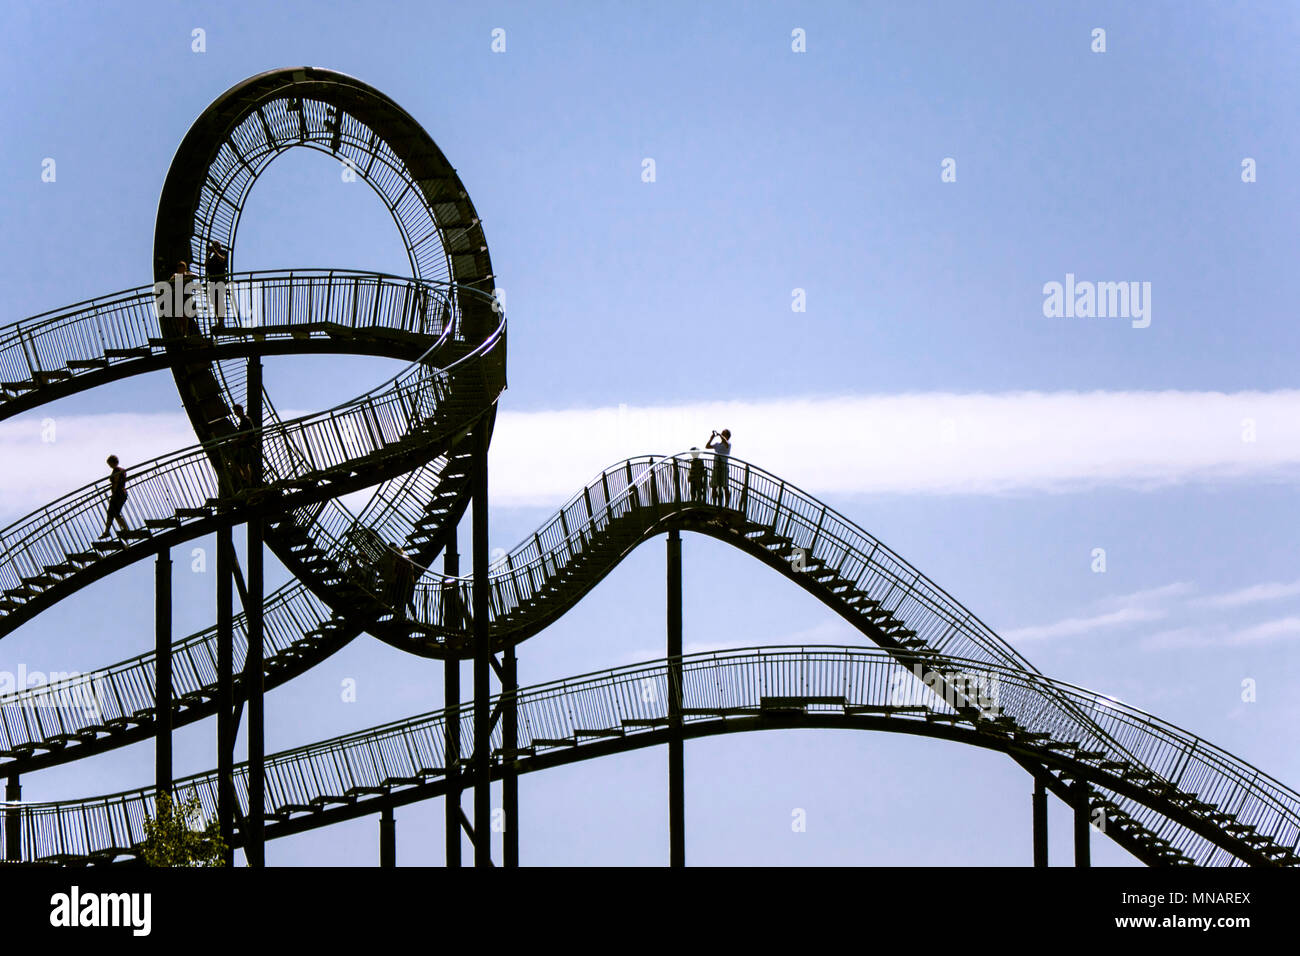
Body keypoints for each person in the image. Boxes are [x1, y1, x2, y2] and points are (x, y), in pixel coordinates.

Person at [101, 455, 129, 538]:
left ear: (113, 462)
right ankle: (107, 531)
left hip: (118, 494)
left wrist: (114, 493)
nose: (109, 465)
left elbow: (116, 482)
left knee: (114, 512)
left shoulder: (117, 470)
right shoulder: (122, 470)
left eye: (109, 463)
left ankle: (125, 529)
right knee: (112, 512)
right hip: (121, 493)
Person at [230, 403, 255, 486]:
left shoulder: (245, 420)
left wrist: (237, 441)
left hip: (246, 445)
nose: (235, 413)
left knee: (244, 464)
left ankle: (248, 482)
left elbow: (245, 434)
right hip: (243, 445)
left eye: (236, 411)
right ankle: (245, 480)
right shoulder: (245, 419)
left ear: (240, 411)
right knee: (235, 462)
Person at [706, 428, 732, 507]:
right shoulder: (717, 444)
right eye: (722, 433)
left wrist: (720, 435)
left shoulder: (728, 444)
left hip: (724, 467)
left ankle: (726, 504)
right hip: (716, 467)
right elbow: (707, 446)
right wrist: (711, 438)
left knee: (725, 486)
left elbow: (726, 443)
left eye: (724, 434)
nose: (722, 434)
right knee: (714, 486)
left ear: (727, 436)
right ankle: (714, 503)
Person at [205, 239, 229, 323]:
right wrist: (208, 253)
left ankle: (221, 321)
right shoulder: (212, 257)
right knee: (215, 302)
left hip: (219, 280)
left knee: (220, 301)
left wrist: (214, 251)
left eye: (215, 245)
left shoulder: (223, 253)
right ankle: (219, 321)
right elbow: (206, 265)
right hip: (212, 281)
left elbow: (222, 260)